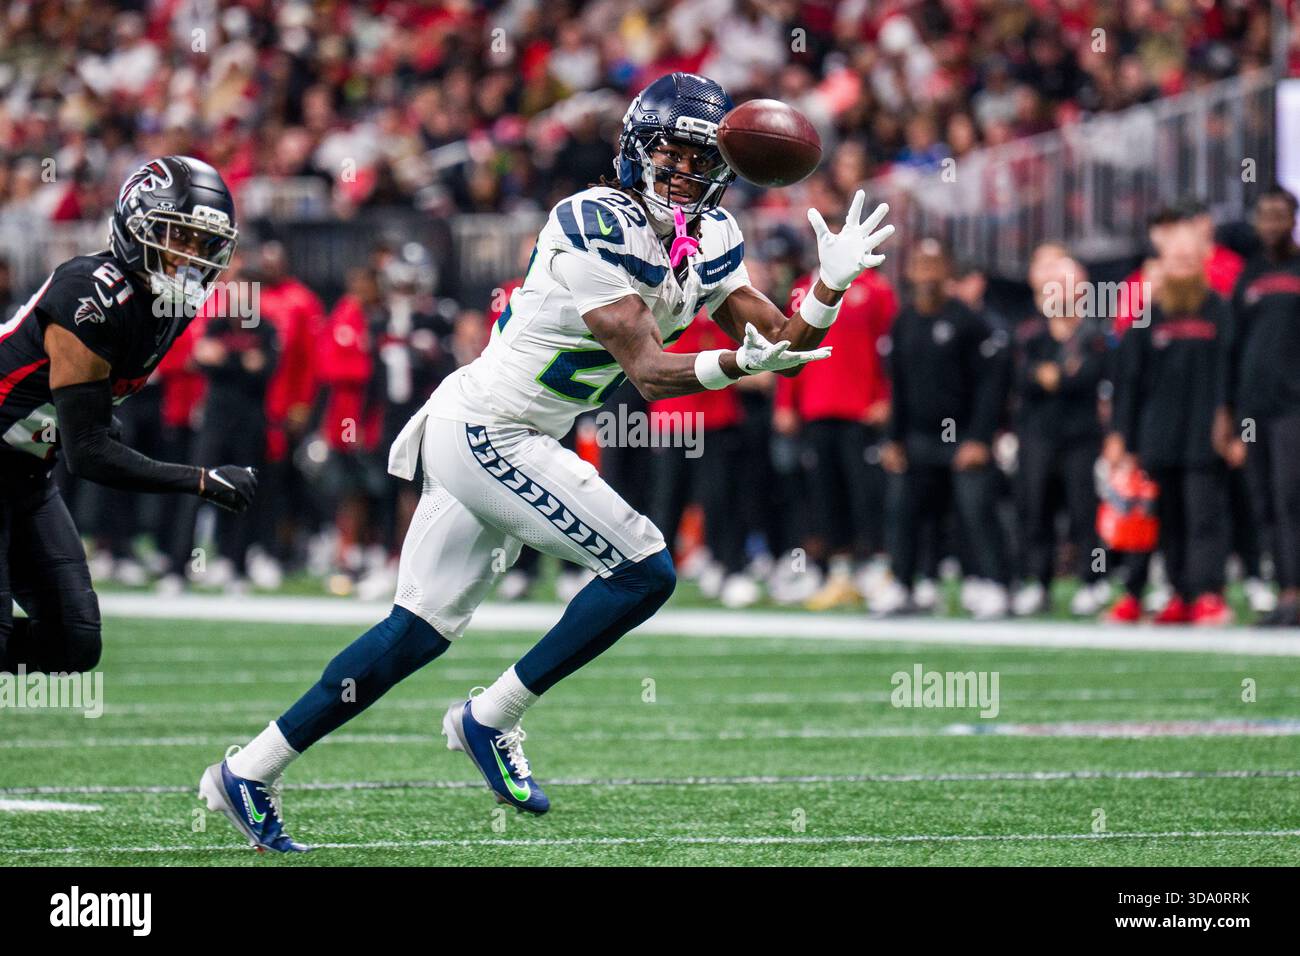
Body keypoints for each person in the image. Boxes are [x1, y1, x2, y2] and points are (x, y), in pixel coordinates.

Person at [198, 72, 894, 852]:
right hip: (489, 429)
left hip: (517, 431)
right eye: (675, 155)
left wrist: (828, 285)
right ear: (636, 149)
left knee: (414, 633)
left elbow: (791, 348)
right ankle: (491, 716)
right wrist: (739, 364)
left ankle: (248, 771)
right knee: (644, 568)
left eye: (706, 163)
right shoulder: (590, 220)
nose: (688, 175)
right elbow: (651, 372)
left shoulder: (714, 240)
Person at [0, 156, 255, 673]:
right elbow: (89, 453)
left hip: (26, 475)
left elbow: (85, 410)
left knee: (73, 643)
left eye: (202, 245)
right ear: (135, 225)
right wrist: (200, 480)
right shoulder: (89, 292)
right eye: (175, 237)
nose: (188, 257)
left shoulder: (171, 307)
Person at [1106, 215, 1234, 625]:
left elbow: (1232, 373)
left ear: (1201, 261)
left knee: (1204, 517)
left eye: (1188, 259)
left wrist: (1230, 424)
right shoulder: (1147, 316)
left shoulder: (1220, 311)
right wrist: (1121, 438)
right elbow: (1129, 381)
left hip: (1204, 436)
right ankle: (1178, 593)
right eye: (1173, 260)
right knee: (1166, 520)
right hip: (1157, 436)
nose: (1180, 267)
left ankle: (1208, 594)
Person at [874, 240, 1011, 618]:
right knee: (902, 510)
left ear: (949, 272)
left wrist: (980, 438)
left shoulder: (969, 321)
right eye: (921, 265)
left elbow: (990, 387)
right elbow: (898, 387)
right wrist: (893, 439)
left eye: (935, 265)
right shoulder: (903, 322)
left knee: (975, 511)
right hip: (916, 439)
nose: (928, 274)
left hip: (962, 439)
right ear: (910, 272)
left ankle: (992, 583)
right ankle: (903, 584)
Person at [1012, 249, 1107, 617]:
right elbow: (1020, 377)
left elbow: (1089, 376)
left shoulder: (1093, 333)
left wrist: (1056, 377)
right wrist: (1051, 376)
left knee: (1084, 512)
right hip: (1037, 434)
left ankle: (1091, 580)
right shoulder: (1031, 333)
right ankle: (1038, 581)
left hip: (1081, 435)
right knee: (1036, 508)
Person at [1226, 187, 1300, 626]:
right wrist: (1228, 414)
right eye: (1264, 216)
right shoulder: (1248, 276)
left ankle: (1296, 591)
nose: (1271, 224)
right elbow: (1233, 349)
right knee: (1264, 500)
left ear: (1293, 220)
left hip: (1293, 407)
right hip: (1253, 411)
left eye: (1279, 215)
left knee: (1291, 495)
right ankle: (1284, 590)